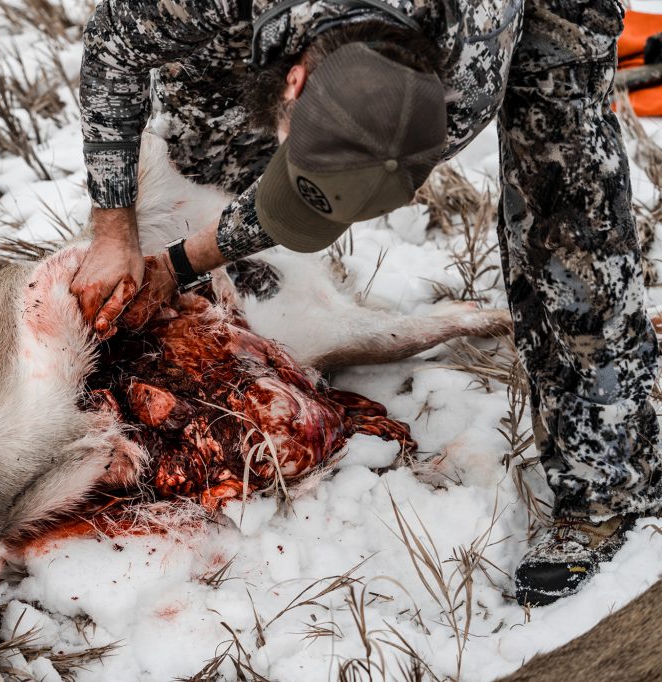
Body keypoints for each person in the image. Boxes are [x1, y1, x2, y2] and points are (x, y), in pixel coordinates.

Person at [69, 0, 662, 607]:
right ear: (295, 81)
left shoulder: (467, 77)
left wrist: (178, 263)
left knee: (566, 215)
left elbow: (332, 190)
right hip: (287, 31)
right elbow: (113, 46)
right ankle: (236, 303)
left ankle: (607, 485)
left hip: (497, 18)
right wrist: (116, 227)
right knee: (205, 131)